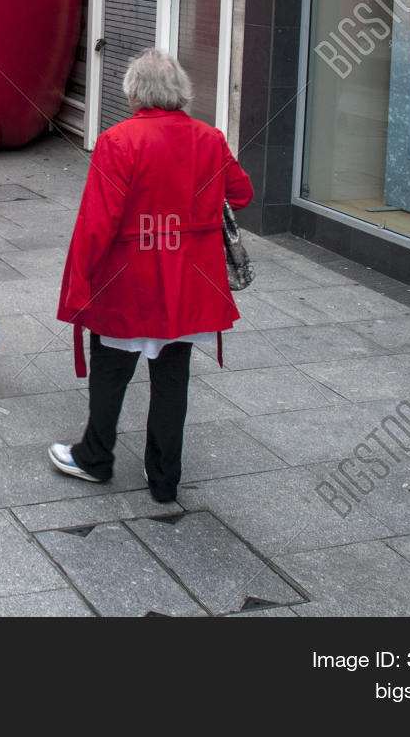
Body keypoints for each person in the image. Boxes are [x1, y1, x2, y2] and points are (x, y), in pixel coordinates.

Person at [50, 49, 253, 504]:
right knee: (172, 380)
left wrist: (79, 285)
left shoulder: (118, 141)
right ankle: (164, 477)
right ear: (180, 91)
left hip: (130, 282)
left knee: (110, 374)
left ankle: (95, 457)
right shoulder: (209, 138)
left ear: (134, 92)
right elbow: (241, 192)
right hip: (188, 282)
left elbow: (96, 223)